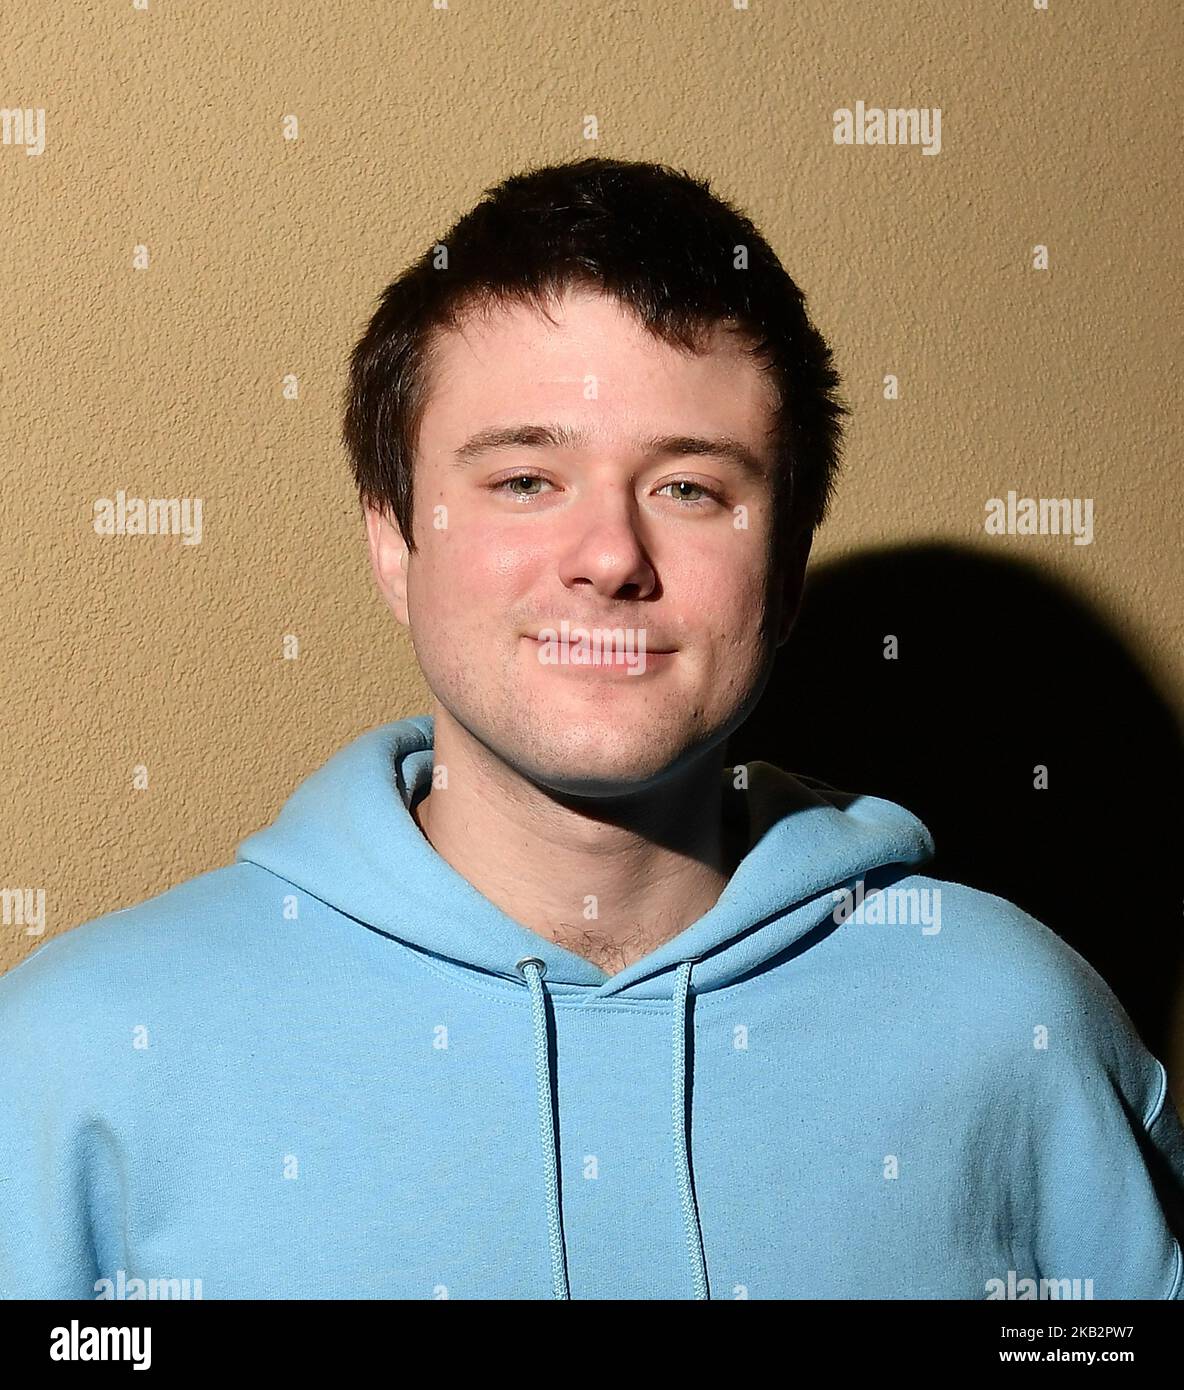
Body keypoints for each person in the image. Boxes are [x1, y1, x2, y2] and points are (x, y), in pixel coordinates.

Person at [3, 157, 1182, 1301]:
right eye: (524, 480)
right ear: (392, 540)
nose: (611, 556)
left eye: (691, 488)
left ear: (782, 571)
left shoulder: (1012, 1022)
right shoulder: (80, 1053)